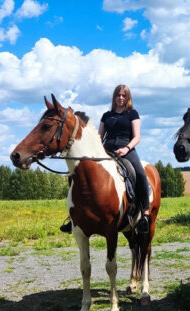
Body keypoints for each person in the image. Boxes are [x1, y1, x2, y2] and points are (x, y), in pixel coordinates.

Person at [60, 84, 150, 234]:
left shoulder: (132, 114)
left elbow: (137, 137)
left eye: (123, 95)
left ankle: (144, 214)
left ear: (128, 98)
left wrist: (126, 148)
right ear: (114, 97)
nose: (120, 98)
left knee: (140, 174)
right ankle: (74, 215)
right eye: (118, 95)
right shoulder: (106, 116)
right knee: (77, 174)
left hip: (126, 149)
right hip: (106, 150)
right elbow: (99, 137)